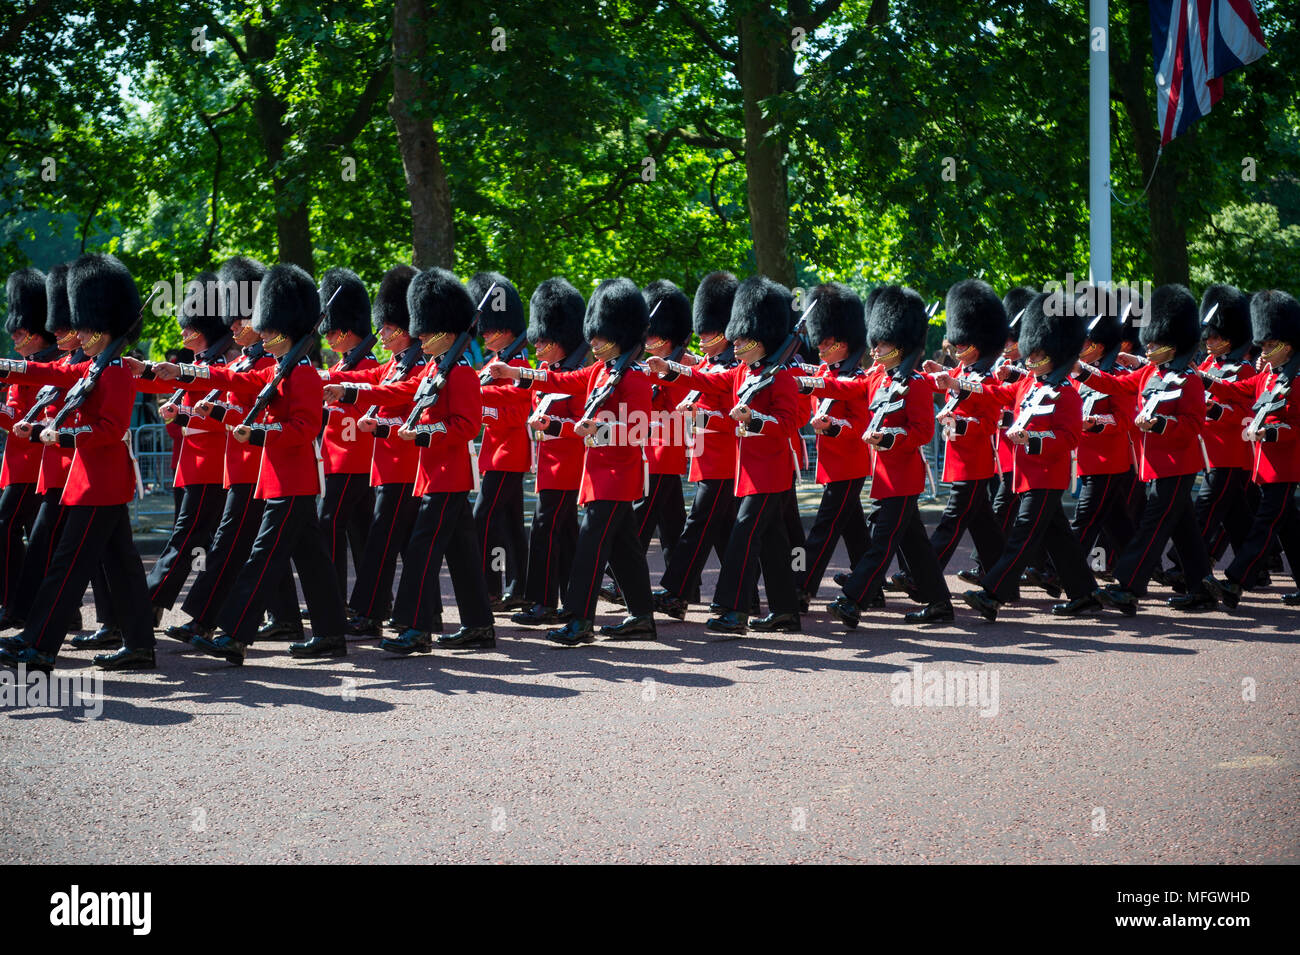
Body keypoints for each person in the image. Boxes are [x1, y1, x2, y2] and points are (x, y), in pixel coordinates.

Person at [159, 263, 348, 664]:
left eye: (266, 328)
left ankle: (234, 634)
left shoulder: (304, 374)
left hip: (293, 480)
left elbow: (303, 428)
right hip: (278, 479)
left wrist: (260, 434)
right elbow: (239, 382)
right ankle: (331, 632)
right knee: (313, 560)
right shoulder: (281, 369)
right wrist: (185, 373)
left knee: (261, 557)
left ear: (284, 329)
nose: (259, 333)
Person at [0, 253, 156, 672]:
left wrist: (66, 435)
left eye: (85, 326)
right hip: (90, 482)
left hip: (99, 483)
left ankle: (40, 645)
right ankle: (140, 643)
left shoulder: (118, 370)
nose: (77, 332)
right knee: (123, 564)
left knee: (66, 568)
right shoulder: (94, 366)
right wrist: (8, 368)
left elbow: (109, 428)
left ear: (102, 326)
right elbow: (54, 375)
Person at [492, 277, 657, 645]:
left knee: (589, 548)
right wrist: (516, 373)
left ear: (619, 333)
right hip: (598, 475)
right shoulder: (601, 371)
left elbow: (636, 432)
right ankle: (642, 616)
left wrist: (595, 429)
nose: (593, 343)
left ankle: (580, 620)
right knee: (625, 549)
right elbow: (561, 380)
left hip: (619, 476)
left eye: (599, 337)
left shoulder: (636, 377)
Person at [650, 276, 806, 636]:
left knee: (743, 537)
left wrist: (755, 420)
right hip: (748, 472)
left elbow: (786, 423)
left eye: (742, 338)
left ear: (760, 338)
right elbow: (708, 381)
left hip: (769, 474)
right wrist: (671, 369)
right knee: (772, 542)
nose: (734, 344)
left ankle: (733, 609)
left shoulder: (779, 378)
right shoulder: (743, 373)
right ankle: (785, 610)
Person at [802, 285, 953, 628]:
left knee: (881, 543)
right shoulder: (876, 377)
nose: (874, 348)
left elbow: (922, 432)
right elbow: (845, 387)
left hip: (902, 476)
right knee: (915, 545)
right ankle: (940, 603)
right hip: (882, 477)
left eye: (882, 344)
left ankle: (854, 598)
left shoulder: (914, 384)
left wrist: (889, 438)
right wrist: (811, 385)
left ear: (899, 344)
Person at [955, 290, 1101, 621]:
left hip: (1047, 475)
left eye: (1038, 352)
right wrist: (958, 384)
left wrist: (1032, 439)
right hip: (1027, 474)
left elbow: (1069, 438)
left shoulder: (1065, 393)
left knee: (1021, 534)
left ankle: (993, 593)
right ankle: (1086, 594)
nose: (1031, 357)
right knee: (1060, 538)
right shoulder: (1029, 385)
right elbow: (998, 393)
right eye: (1031, 350)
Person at [380, 267, 496, 654]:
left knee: (421, 549)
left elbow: (466, 426)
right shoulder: (435, 366)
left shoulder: (460, 371)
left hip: (448, 474)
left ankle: (415, 628)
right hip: (433, 473)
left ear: (446, 331)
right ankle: (479, 624)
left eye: (426, 332)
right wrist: (349, 392)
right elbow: (404, 389)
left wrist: (426, 434)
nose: (420, 337)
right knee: (462, 552)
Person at [1082, 285, 1218, 614]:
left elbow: (1193, 425)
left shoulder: (1191, 380)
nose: (1151, 345)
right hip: (1153, 465)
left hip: (1177, 465)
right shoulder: (1149, 372)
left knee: (1152, 527)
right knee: (1185, 532)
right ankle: (1203, 588)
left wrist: (1160, 425)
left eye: (1157, 341)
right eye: (1151, 340)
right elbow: (1115, 384)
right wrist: (1081, 369)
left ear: (1175, 342)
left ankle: (1128, 586)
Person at [321, 265, 425, 636]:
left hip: (405, 463)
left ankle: (371, 612)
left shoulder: (420, 365)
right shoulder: (397, 363)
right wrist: (329, 378)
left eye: (388, 328)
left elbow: (398, 393)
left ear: (404, 327)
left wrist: (350, 391)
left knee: (384, 543)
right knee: (406, 545)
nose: (381, 334)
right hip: (389, 465)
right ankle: (416, 615)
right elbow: (371, 379)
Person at [130, 272, 234, 634]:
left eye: (188, 327)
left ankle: (151, 599)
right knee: (203, 542)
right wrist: (134, 369)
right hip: (192, 464)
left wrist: (184, 413)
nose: (183, 333)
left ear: (201, 329)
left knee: (187, 536)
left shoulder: (219, 366)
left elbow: (222, 416)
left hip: (211, 464)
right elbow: (166, 386)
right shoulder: (201, 364)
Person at [893, 279, 1008, 600]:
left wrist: (960, 419)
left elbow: (988, 422)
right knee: (985, 528)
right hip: (961, 460)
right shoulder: (965, 373)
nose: (958, 348)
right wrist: (933, 374)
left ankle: (922, 577)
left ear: (979, 342)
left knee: (951, 523)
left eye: (964, 343)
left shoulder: (985, 378)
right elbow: (948, 385)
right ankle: (1004, 577)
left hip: (975, 462)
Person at [652, 271, 745, 619]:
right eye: (701, 330)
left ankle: (675, 590)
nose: (704, 336)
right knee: (722, 531)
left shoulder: (732, 367)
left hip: (724, 459)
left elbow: (727, 411)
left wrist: (698, 416)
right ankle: (745, 596)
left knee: (698, 525)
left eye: (710, 330)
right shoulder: (706, 363)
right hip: (705, 457)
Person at [1202, 290, 1300, 608]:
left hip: (1285, 466)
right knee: (1290, 530)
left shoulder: (1296, 381)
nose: (1265, 349)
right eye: (1264, 343)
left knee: (1264, 525)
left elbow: (1296, 428)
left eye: (1271, 344)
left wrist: (1269, 433)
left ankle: (1235, 581)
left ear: (1288, 345)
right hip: (1266, 466)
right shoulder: (1267, 377)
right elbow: (1235, 388)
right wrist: (1202, 379)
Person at [510, 278, 588, 627]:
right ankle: (572, 599)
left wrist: (551, 427)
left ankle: (542, 602)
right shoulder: (542, 373)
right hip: (547, 465)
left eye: (543, 339)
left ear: (560, 340)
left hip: (569, 465)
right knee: (567, 535)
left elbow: (582, 426)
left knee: (544, 529)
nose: (537, 344)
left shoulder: (579, 376)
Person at [792, 281, 872, 608]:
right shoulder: (827, 371)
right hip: (832, 465)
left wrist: (834, 426)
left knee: (823, 530)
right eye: (819, 342)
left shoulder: (856, 378)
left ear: (844, 343)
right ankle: (872, 585)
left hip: (849, 465)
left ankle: (803, 586)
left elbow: (859, 422)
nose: (820, 348)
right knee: (854, 531)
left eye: (827, 343)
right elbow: (823, 381)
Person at [469, 271, 532, 611]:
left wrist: (478, 409)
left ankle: (490, 588)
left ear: (506, 330)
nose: (485, 334)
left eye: (490, 329)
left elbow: (516, 415)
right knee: (508, 527)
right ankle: (518, 586)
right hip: (496, 454)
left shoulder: (518, 366)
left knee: (483, 521)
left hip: (510, 454)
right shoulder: (497, 362)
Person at [0, 268, 58, 626]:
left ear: (36, 332)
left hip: (35, 462)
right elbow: (13, 413)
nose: (16, 336)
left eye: (21, 332)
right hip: (19, 464)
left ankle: (13, 604)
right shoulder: (24, 366)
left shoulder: (49, 368)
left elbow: (32, 420)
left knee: (7, 527)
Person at [317, 267, 378, 598]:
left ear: (347, 330)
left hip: (354, 461)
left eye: (333, 331)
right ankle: (369, 603)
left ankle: (334, 600)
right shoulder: (341, 367)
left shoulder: (367, 368)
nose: (329, 336)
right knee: (361, 534)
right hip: (338, 461)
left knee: (329, 527)